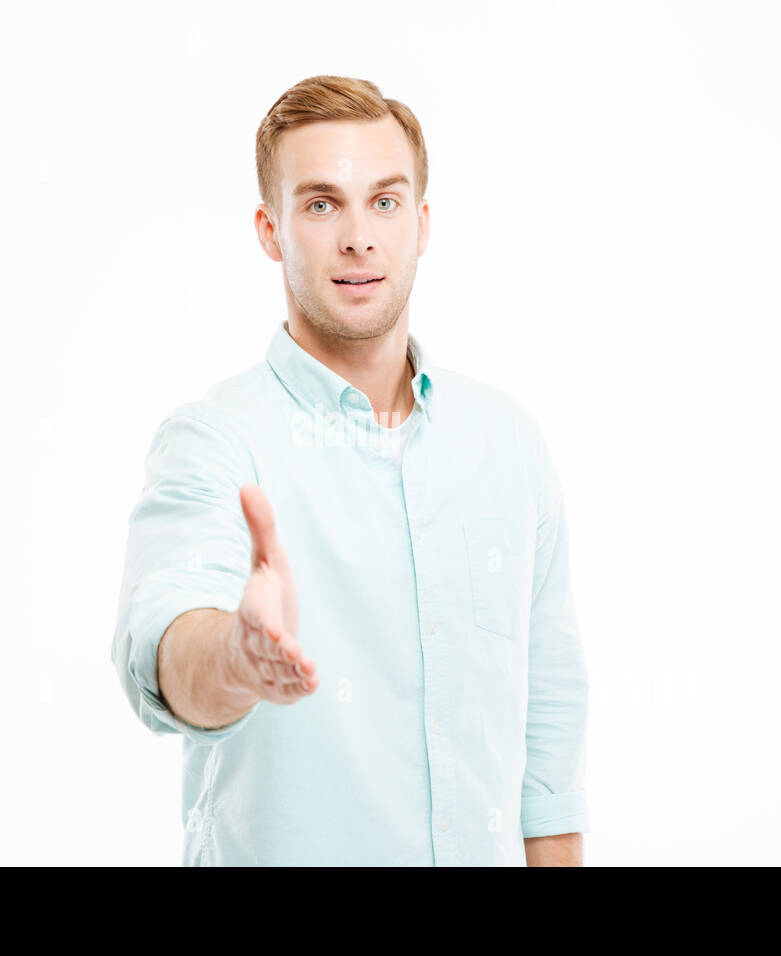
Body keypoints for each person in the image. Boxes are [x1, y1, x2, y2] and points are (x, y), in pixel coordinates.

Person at [110, 75, 589, 866]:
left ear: (423, 223)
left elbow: (550, 729)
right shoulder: (215, 442)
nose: (359, 237)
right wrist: (234, 656)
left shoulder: (507, 442)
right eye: (322, 204)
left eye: (386, 202)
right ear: (270, 229)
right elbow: (164, 640)